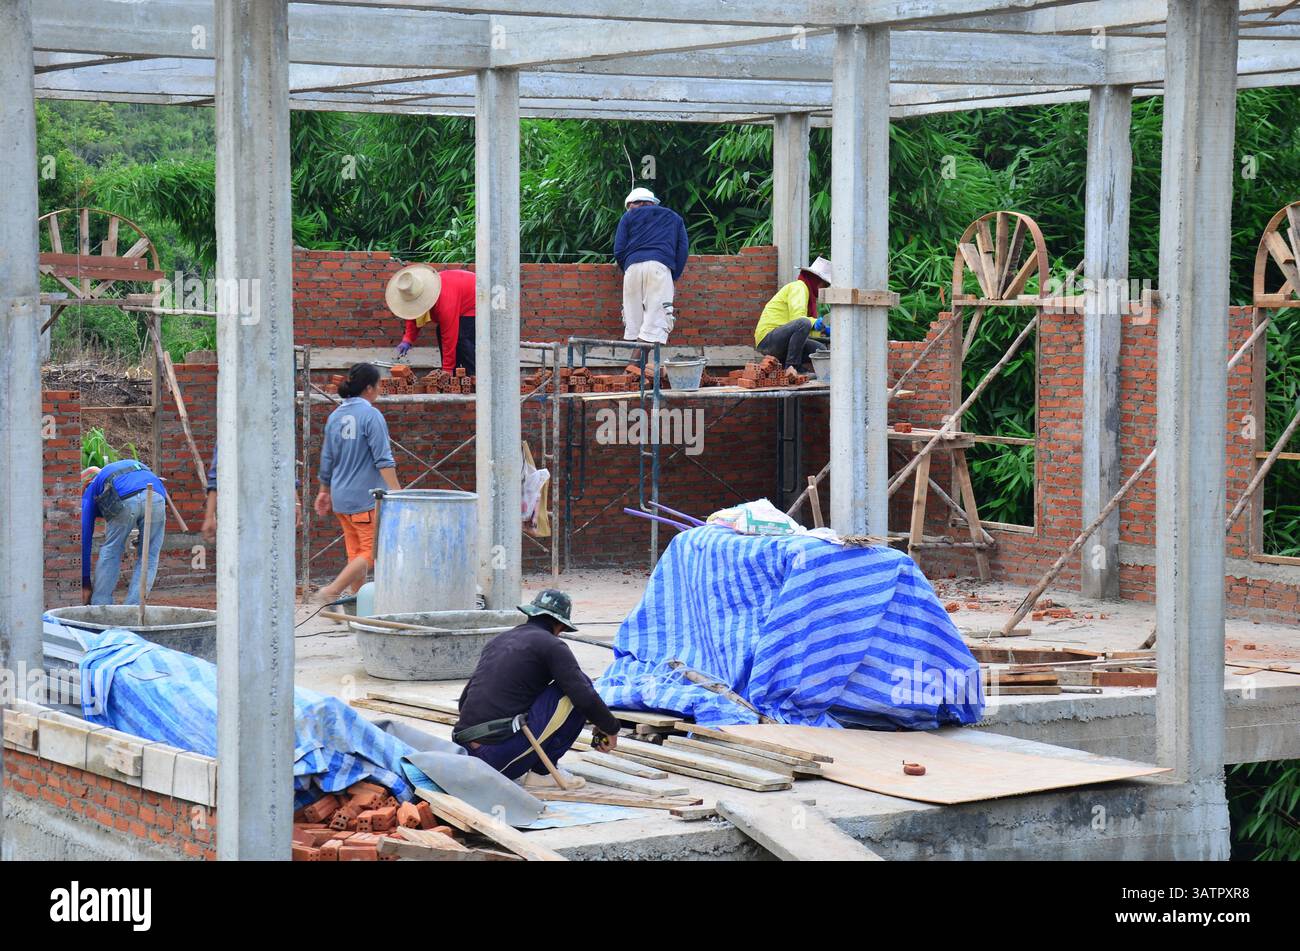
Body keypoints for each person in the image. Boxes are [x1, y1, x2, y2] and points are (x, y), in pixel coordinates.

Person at [452, 590, 621, 788]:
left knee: (563, 688)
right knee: (574, 689)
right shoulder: (552, 645)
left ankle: (527, 761)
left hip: (463, 751)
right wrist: (611, 727)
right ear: (559, 625)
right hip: (494, 759)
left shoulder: (498, 641)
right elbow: (584, 696)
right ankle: (543, 772)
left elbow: (464, 702)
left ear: (532, 614)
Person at [313, 363, 401, 603]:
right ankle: (331, 592)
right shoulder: (371, 415)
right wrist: (397, 492)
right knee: (372, 553)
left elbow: (327, 458)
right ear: (370, 388)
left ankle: (355, 604)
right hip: (365, 498)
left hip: (341, 498)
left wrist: (324, 491)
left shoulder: (335, 416)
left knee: (357, 555)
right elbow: (383, 459)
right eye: (379, 385)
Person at [80, 460, 168, 606]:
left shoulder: (91, 488)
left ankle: (101, 606)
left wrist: (85, 582)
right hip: (156, 496)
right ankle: (133, 608)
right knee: (149, 555)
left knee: (112, 549)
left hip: (124, 498)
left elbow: (85, 536)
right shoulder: (134, 467)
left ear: (86, 484)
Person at [613, 187, 689, 346]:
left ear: (635, 203)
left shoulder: (628, 217)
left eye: (629, 206)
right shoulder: (674, 217)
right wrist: (673, 275)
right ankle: (635, 365)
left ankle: (637, 367)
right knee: (657, 319)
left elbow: (619, 250)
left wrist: (628, 268)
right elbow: (682, 249)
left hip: (632, 268)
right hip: (659, 267)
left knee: (634, 319)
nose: (630, 210)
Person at [199, 445, 302, 545]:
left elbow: (285, 469)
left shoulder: (281, 428)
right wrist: (209, 516)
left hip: (273, 513)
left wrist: (296, 502)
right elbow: (216, 476)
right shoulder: (231, 430)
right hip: (240, 514)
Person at [387, 263, 477, 374]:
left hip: (476, 299)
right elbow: (414, 315)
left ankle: (474, 376)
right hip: (459, 294)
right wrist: (407, 340)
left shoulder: (445, 303)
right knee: (441, 332)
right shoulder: (418, 290)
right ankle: (456, 376)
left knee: (461, 337)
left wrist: (447, 369)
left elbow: (450, 336)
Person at [753, 256, 834, 370]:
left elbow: (801, 333)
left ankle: (781, 366)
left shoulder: (809, 295)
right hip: (767, 340)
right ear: (815, 279)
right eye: (824, 285)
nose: (824, 288)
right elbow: (798, 320)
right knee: (803, 323)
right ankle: (792, 368)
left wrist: (822, 332)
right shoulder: (799, 288)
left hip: (781, 340)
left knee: (819, 349)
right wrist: (816, 323)